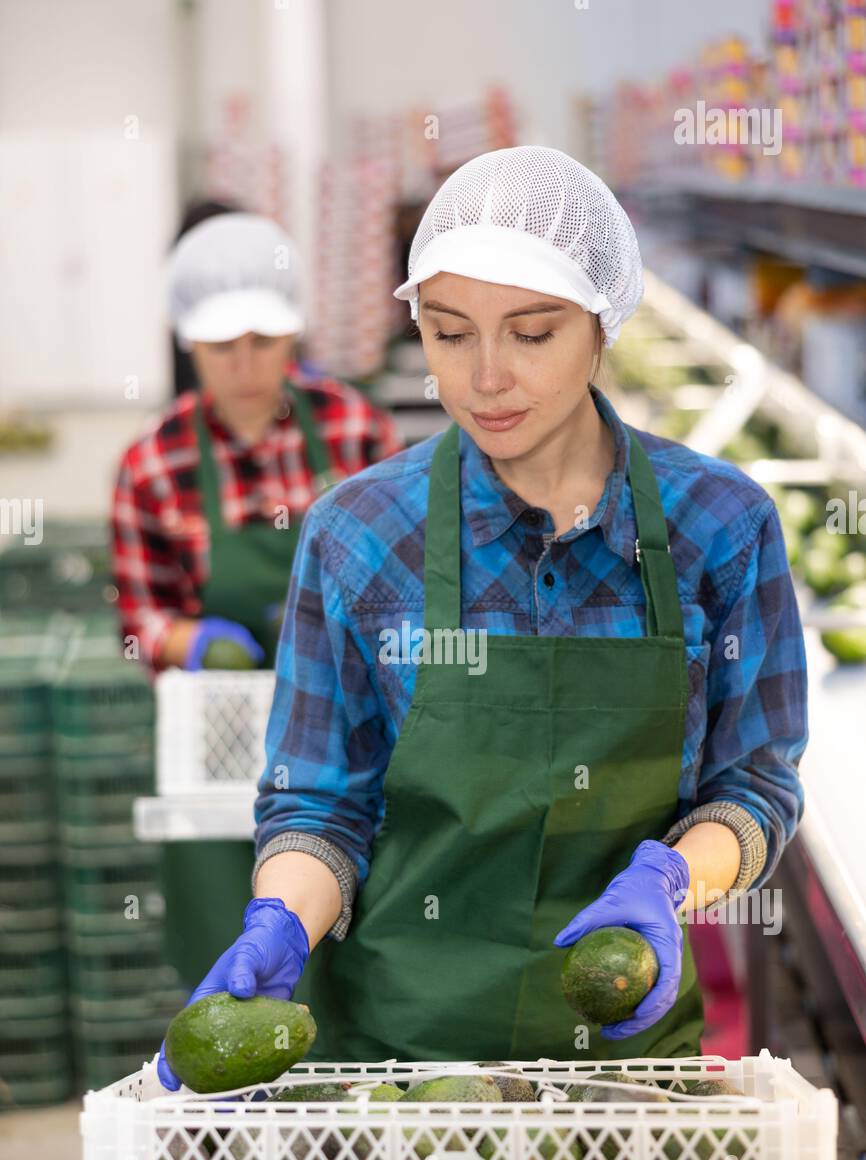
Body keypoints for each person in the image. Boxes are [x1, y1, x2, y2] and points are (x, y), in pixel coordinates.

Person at [157, 148, 807, 1087]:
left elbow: (753, 783)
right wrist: (281, 921)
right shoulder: (361, 535)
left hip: (622, 1073)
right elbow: (322, 800)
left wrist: (670, 881)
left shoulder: (722, 527)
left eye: (533, 334)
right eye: (451, 333)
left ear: (601, 325)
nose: (487, 377)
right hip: (397, 1063)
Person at [111, 212, 403, 988]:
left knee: (354, 963)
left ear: (293, 334)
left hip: (352, 740)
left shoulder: (356, 432)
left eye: (263, 342)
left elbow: (414, 587)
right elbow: (139, 620)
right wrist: (190, 641)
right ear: (186, 343)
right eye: (220, 346)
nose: (244, 364)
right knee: (232, 970)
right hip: (219, 757)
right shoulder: (153, 463)